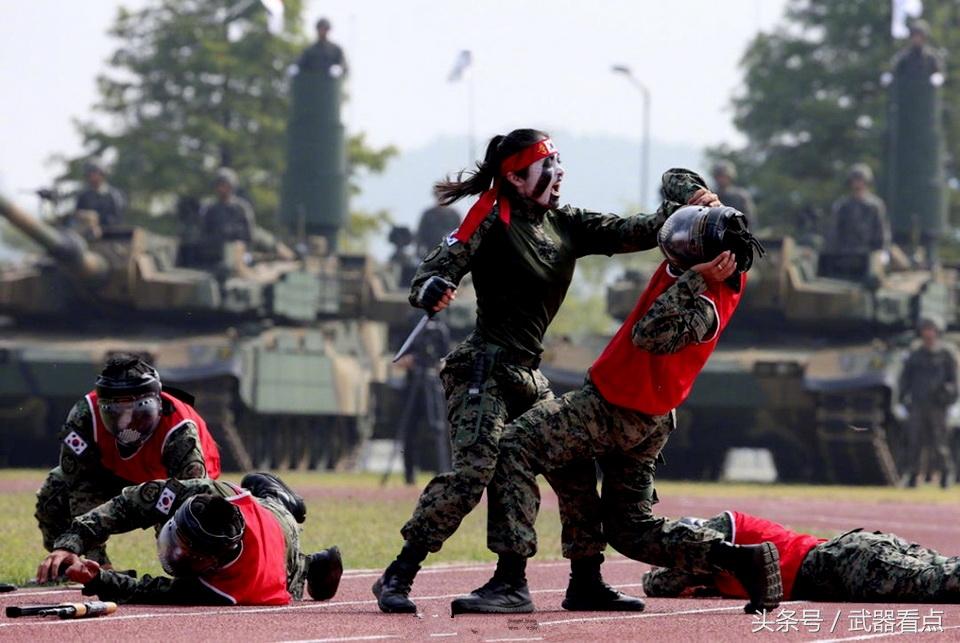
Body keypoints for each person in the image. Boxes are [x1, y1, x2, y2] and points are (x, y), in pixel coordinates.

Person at [372, 128, 721, 615]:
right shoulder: (490, 218)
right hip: (484, 369)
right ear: (514, 177)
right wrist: (431, 287)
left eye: (559, 165)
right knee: (476, 470)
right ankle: (409, 574)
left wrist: (694, 201)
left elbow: (642, 230)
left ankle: (586, 582)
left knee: (574, 472)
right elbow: (437, 267)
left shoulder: (568, 223)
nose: (558, 176)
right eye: (545, 167)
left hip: (529, 375)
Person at [456, 206, 780, 615]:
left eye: (691, 241)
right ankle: (739, 560)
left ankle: (510, 582)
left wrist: (697, 279)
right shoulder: (704, 272)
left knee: (514, 447)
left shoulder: (706, 303)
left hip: (615, 407)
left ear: (715, 260)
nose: (677, 244)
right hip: (647, 414)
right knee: (631, 530)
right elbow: (675, 180)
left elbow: (649, 334)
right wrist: (702, 199)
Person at [35, 473, 343, 606]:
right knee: (254, 485)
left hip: (279, 532)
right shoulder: (199, 492)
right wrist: (71, 541)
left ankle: (312, 564)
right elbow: (127, 505)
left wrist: (101, 580)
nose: (177, 554)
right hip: (255, 505)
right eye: (178, 541)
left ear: (217, 560)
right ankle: (278, 497)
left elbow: (155, 591)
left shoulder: (229, 588)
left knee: (294, 578)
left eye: (193, 556)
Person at [34, 354, 222, 567]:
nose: (127, 426)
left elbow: (190, 497)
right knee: (55, 488)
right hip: (115, 473)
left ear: (158, 404)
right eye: (114, 412)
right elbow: (81, 486)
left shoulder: (180, 429)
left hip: (173, 483)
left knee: (181, 544)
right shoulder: (84, 416)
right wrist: (96, 559)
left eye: (140, 411)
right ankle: (63, 566)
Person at [642, 510, 960, 603]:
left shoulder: (724, 528)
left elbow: (661, 584)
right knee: (946, 571)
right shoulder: (726, 556)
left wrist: (660, 568)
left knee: (940, 583)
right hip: (850, 554)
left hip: (837, 567)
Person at [886, 19, 947, 268]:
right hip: (904, 131)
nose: (917, 39)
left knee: (928, 192)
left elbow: (938, 78)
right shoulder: (902, 60)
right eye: (914, 35)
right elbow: (894, 78)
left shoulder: (932, 59)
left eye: (920, 35)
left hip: (926, 128)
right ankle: (900, 246)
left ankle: (929, 252)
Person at [898, 317, 957, 489]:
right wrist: (902, 398)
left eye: (931, 329)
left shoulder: (945, 354)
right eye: (925, 329)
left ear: (937, 332)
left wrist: (950, 396)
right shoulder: (915, 354)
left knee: (940, 444)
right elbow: (905, 378)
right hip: (918, 404)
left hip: (938, 406)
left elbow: (953, 379)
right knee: (914, 442)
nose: (928, 333)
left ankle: (946, 476)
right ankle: (912, 476)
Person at [820, 164, 890, 281]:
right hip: (844, 254)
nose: (857, 184)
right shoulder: (842, 206)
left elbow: (882, 234)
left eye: (861, 180)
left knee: (875, 273)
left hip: (868, 255)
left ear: (867, 182)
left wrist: (881, 254)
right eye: (855, 180)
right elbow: (833, 234)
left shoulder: (875, 206)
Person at [200, 168, 257, 245]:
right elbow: (202, 233)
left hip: (237, 250)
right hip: (213, 250)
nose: (220, 188)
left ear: (231, 186)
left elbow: (250, 235)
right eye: (218, 184)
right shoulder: (209, 208)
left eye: (223, 185)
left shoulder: (241, 208)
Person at [74, 160, 125, 227]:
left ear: (101, 174)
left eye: (94, 173)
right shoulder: (83, 196)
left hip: (110, 232)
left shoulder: (114, 195)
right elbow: (77, 214)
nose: (91, 177)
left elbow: (118, 217)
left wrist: (98, 219)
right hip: (88, 232)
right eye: (89, 174)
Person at [711, 161, 756, 230]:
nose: (721, 179)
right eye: (718, 176)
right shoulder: (711, 196)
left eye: (723, 176)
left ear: (730, 177)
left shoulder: (741, 196)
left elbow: (749, 220)